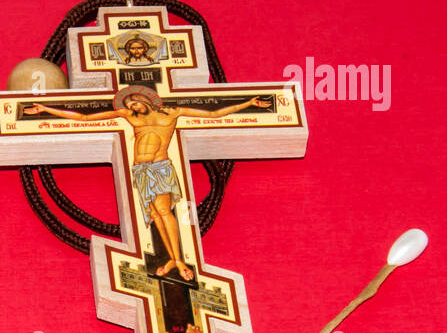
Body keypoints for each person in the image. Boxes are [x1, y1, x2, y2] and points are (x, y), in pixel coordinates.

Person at [25, 86, 272, 279]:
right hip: (140, 170)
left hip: (160, 166)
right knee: (155, 215)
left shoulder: (172, 112)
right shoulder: (127, 116)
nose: (132, 105)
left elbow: (213, 113)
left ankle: (179, 259)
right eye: (129, 102)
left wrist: (249, 103)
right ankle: (172, 258)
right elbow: (85, 117)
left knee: (165, 210)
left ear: (147, 100)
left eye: (135, 100)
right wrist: (46, 109)